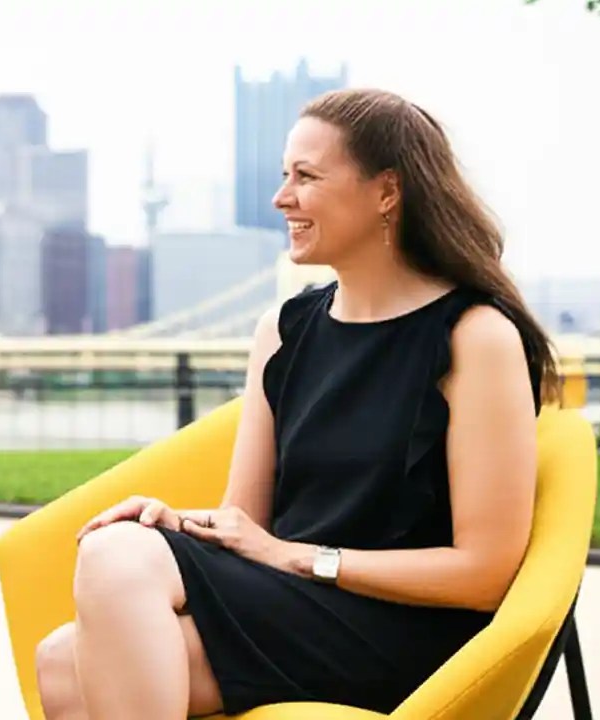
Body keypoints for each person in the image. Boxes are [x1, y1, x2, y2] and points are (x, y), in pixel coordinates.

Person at [34, 87, 559, 718]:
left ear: (386, 192)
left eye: (306, 177)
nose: (282, 198)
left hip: (406, 629)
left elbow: (484, 575)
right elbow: (244, 525)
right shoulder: (284, 329)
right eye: (285, 176)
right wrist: (181, 526)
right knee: (62, 655)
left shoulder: (475, 336)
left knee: (111, 562)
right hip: (291, 602)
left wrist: (303, 559)